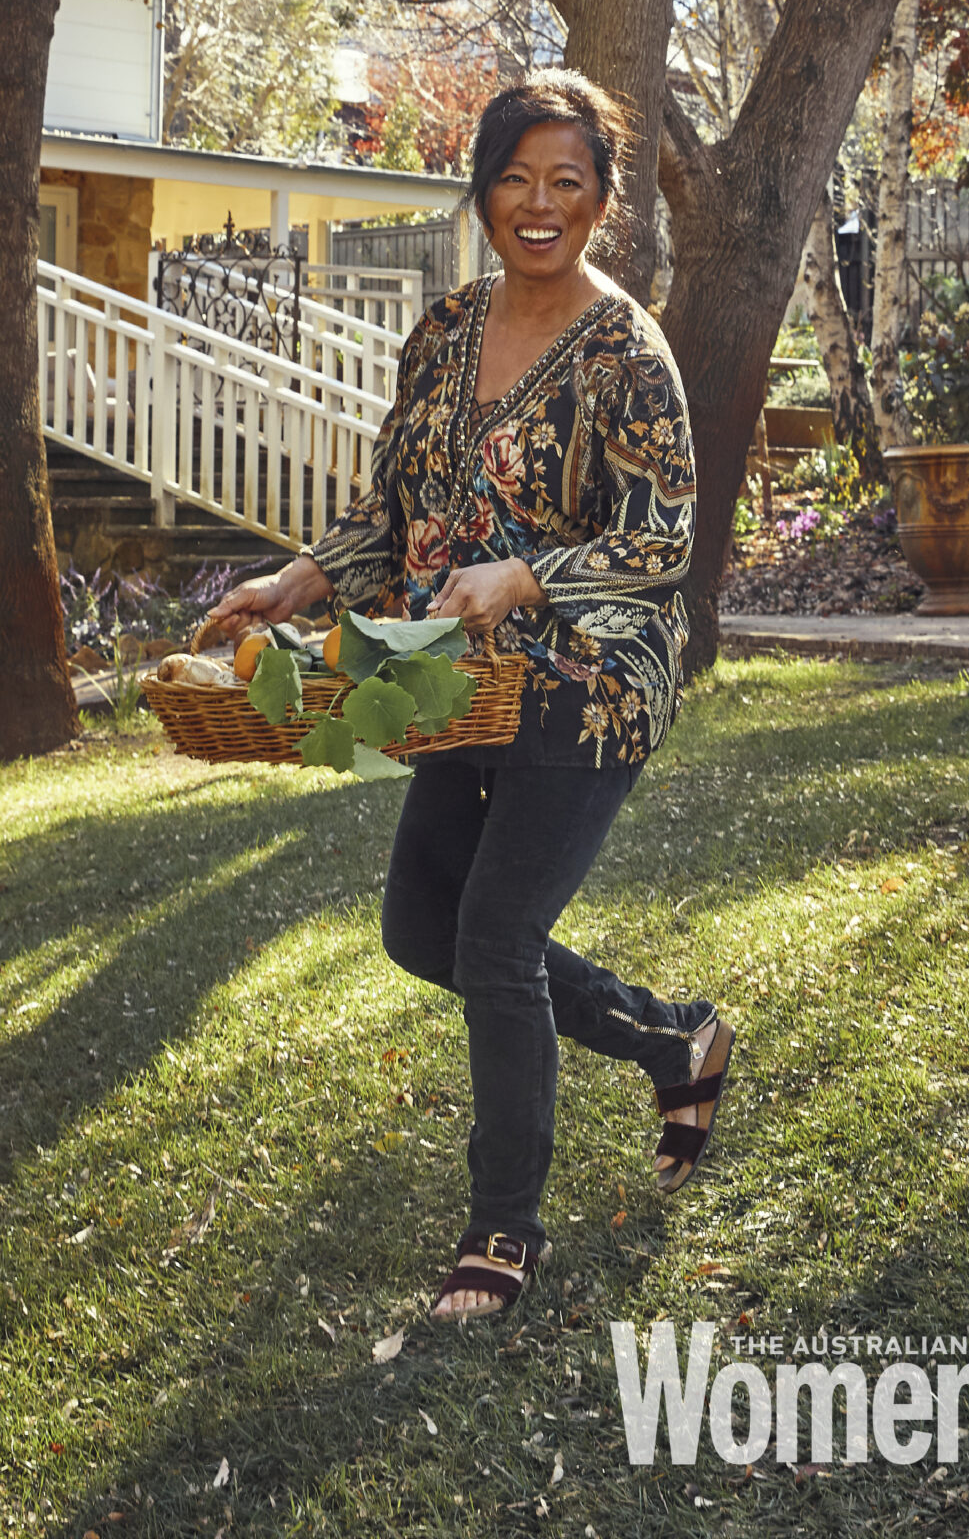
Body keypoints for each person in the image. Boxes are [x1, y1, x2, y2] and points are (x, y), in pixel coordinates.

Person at [207, 69, 735, 1320]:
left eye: (566, 180)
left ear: (603, 198)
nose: (537, 204)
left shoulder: (626, 353)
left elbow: (661, 542)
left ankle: (501, 1233)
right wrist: (294, 583)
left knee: (492, 936)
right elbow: (390, 510)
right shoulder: (443, 328)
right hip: (447, 678)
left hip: (589, 681)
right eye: (514, 177)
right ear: (483, 189)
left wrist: (527, 574)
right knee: (417, 929)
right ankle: (672, 1042)